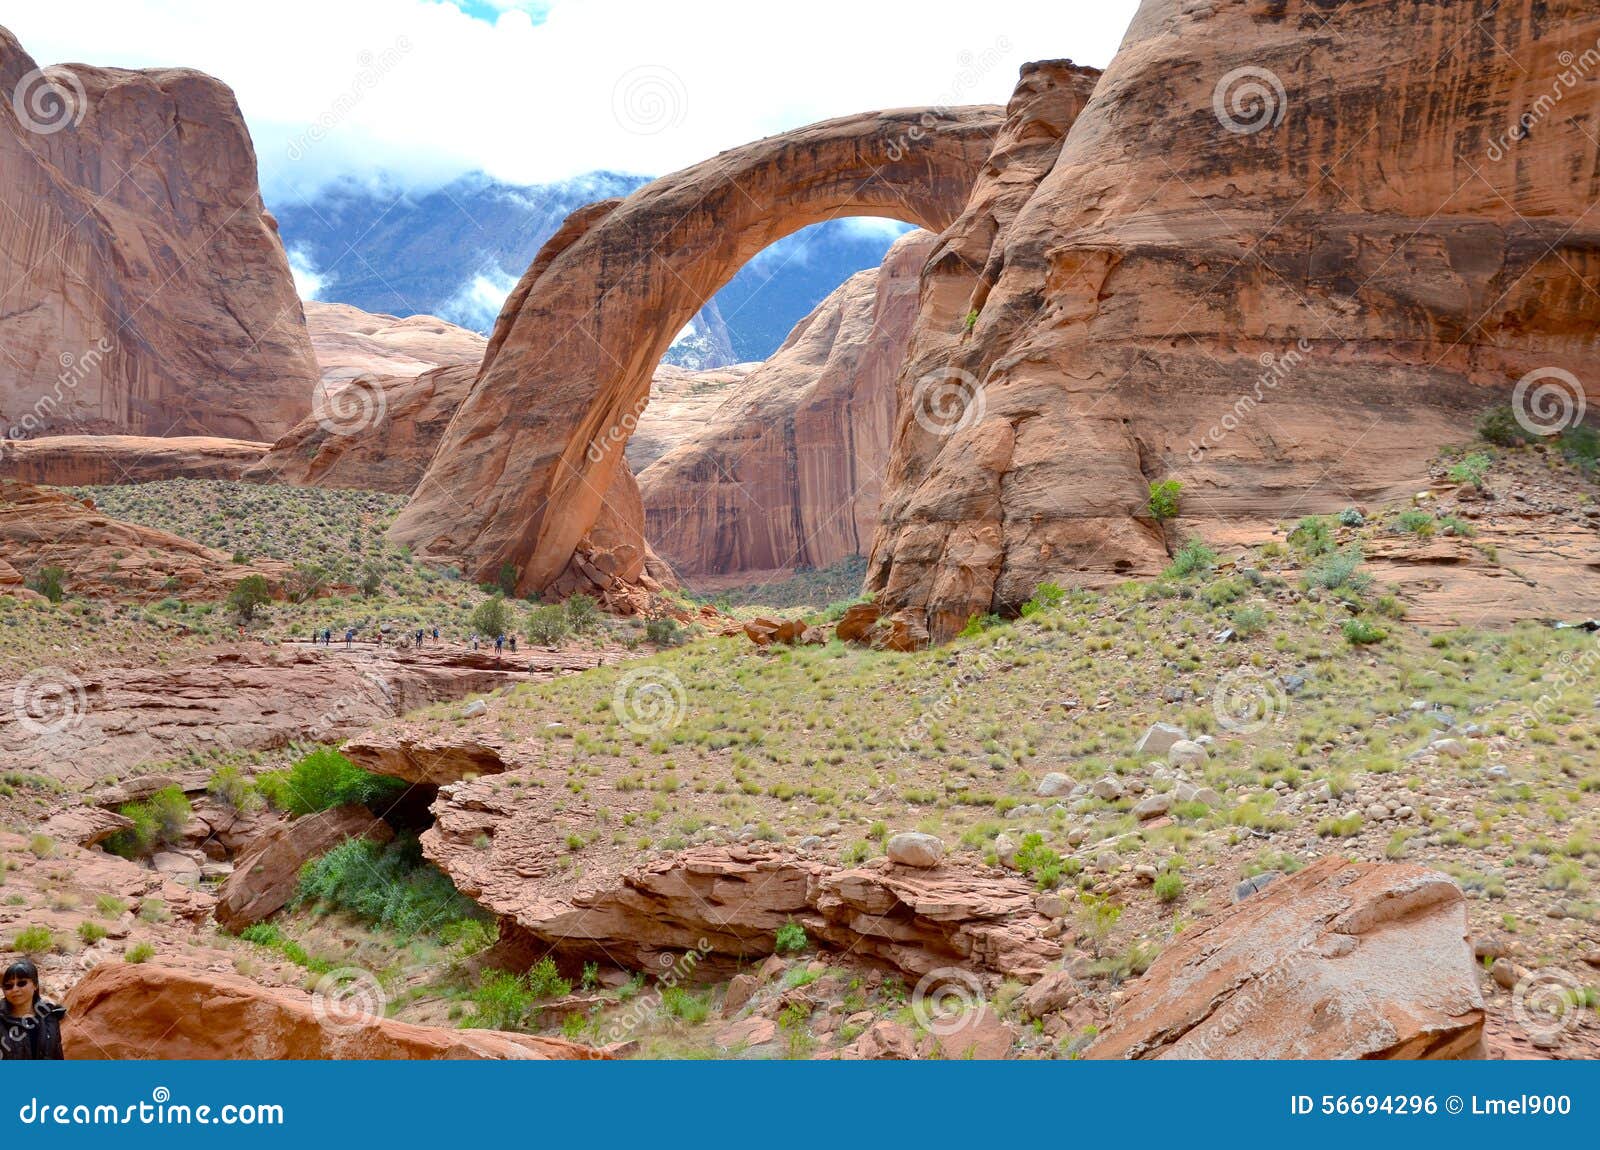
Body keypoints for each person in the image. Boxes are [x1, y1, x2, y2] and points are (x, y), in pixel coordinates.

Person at [2, 959, 65, 1060]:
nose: (15, 989)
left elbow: (57, 1054)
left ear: (35, 985)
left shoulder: (50, 1017)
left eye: (21, 983)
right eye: (8, 986)